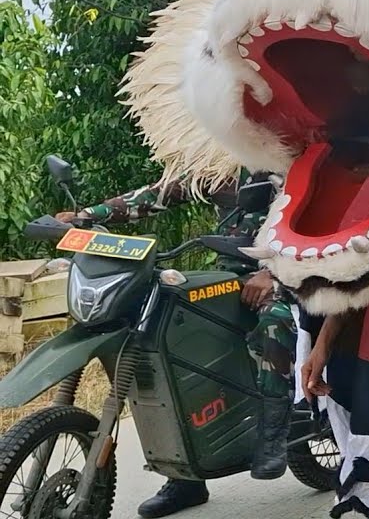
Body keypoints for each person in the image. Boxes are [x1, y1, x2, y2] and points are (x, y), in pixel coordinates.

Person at [59, 172, 295, 518]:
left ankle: (272, 436)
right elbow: (157, 193)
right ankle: (185, 476)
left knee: (275, 317)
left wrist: (275, 273)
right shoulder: (217, 163)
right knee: (171, 335)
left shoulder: (288, 158)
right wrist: (86, 216)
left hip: (290, 274)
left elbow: (314, 224)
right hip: (230, 274)